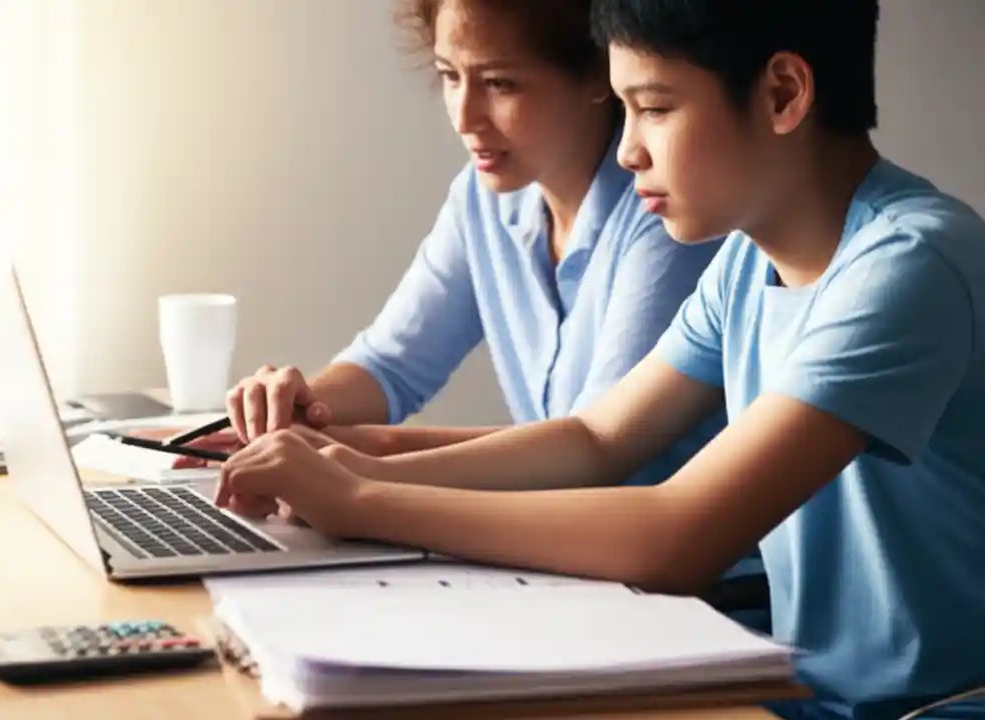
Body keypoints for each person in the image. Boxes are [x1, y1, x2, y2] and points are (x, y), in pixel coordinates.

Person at [214, 1, 985, 718]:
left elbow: (679, 537)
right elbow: (596, 439)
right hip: (799, 691)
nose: (627, 149)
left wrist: (360, 499)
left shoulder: (907, 263)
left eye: (655, 108)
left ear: (783, 93)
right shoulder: (748, 261)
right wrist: (353, 458)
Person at [213, 0, 720, 477]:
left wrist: (357, 455)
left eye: (500, 84)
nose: (463, 117)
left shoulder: (669, 217)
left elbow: (593, 446)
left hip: (643, 539)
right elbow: (391, 367)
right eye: (449, 76)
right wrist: (290, 411)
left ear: (597, 72)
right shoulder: (484, 199)